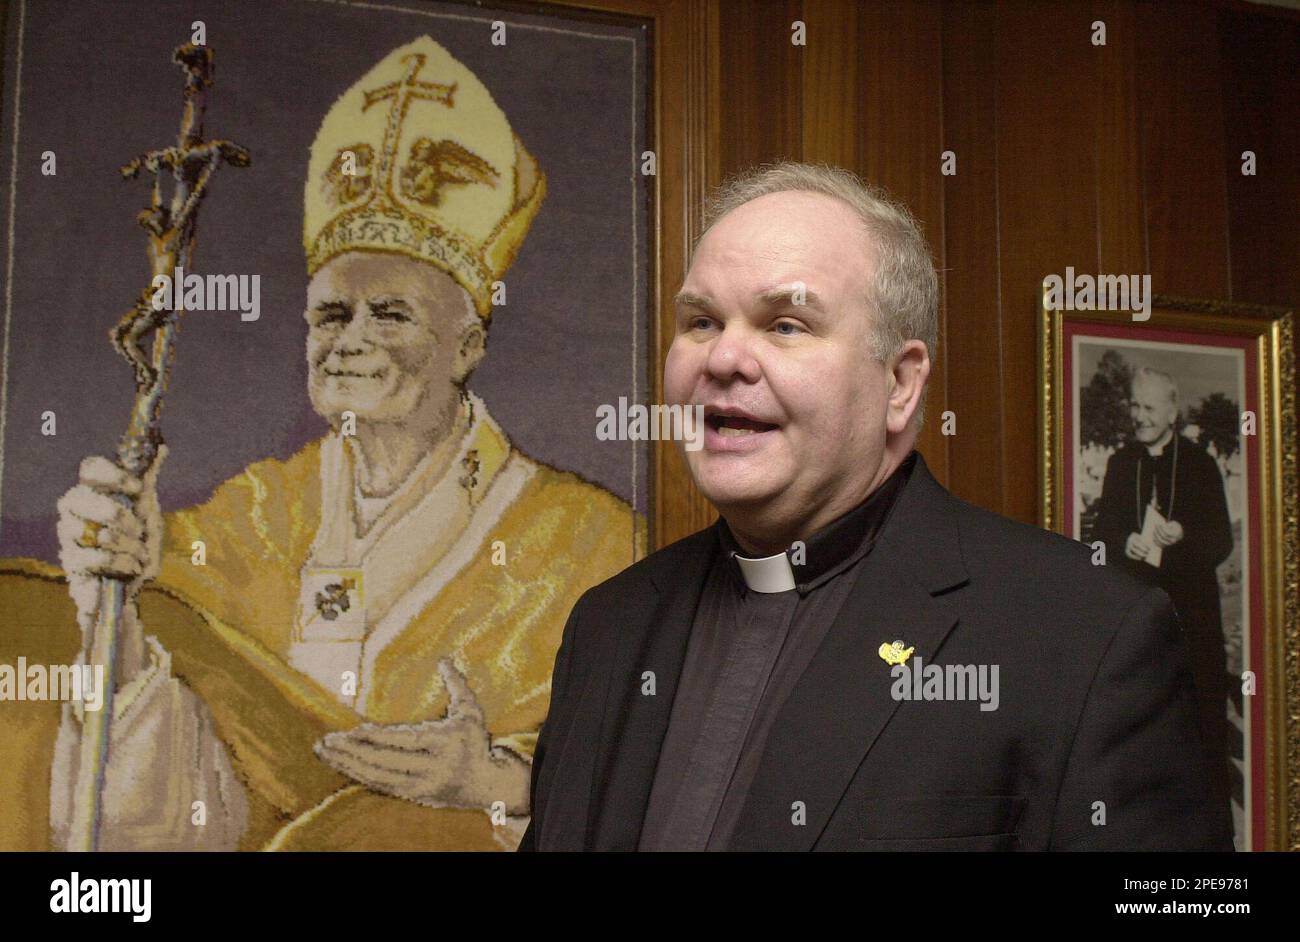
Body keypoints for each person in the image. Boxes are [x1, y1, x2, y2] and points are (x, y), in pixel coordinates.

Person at [0, 36, 640, 852]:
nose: (351, 341)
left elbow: (655, 782)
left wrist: (497, 784)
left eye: (392, 315)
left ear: (468, 345)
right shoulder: (256, 513)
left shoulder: (590, 544)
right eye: (332, 314)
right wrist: (111, 612)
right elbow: (159, 823)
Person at [520, 162, 1233, 851]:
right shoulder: (609, 626)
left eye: (786, 324)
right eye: (702, 321)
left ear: (899, 382)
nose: (724, 358)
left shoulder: (1086, 635)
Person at [1090, 367, 1235, 813]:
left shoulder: (1200, 464)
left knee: (1203, 727)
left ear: (1172, 412)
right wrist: (1122, 541)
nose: (1140, 416)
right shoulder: (1121, 463)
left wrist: (1183, 533)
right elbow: (1101, 534)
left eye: (1150, 407)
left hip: (1193, 623)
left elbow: (1221, 541)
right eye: (1135, 405)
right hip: (1138, 627)